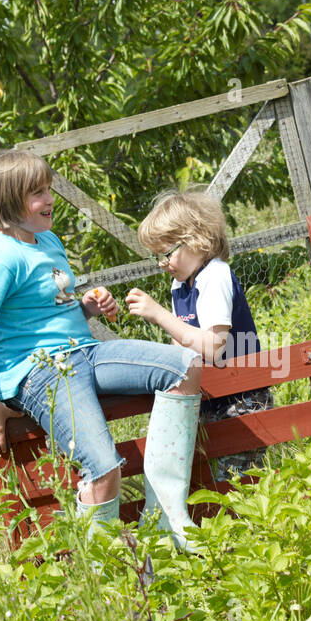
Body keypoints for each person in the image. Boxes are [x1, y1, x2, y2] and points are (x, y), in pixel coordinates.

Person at [0, 149, 203, 551]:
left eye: (48, 189)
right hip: (41, 373)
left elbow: (44, 310)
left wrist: (86, 307)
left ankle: (165, 515)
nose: (49, 200)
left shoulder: (47, 240)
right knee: (104, 468)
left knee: (186, 365)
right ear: (9, 201)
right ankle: (108, 569)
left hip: (86, 353)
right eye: (37, 194)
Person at [126, 189, 273, 484]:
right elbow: (183, 345)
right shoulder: (179, 285)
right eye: (157, 256)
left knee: (237, 482)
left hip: (241, 398)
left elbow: (214, 348)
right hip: (211, 396)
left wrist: (158, 315)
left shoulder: (214, 276)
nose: (162, 263)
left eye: (167, 252)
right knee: (208, 481)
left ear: (197, 239)